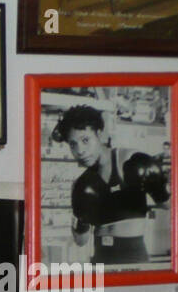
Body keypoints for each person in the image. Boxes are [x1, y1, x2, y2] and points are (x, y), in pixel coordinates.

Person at [54, 105, 169, 265]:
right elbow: (81, 240)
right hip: (101, 257)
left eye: (85, 140)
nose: (80, 150)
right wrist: (80, 217)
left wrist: (159, 186)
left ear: (99, 135)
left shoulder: (129, 161)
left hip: (133, 255)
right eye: (73, 144)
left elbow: (169, 204)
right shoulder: (81, 183)